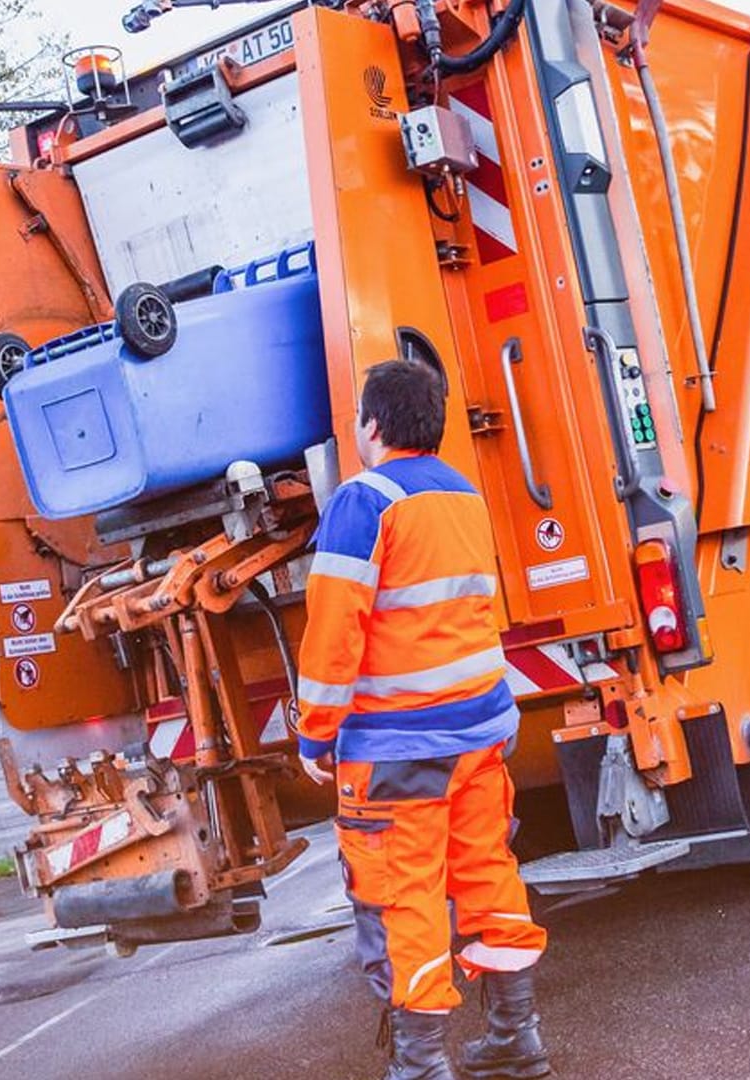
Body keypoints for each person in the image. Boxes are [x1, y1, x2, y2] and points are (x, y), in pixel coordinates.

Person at [295, 358, 552, 1080]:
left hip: (398, 747)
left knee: (401, 898)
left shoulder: (364, 501)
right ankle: (517, 1036)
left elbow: (334, 631)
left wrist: (316, 732)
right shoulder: (464, 496)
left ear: (373, 425)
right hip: (479, 730)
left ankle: (421, 1064)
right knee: (488, 877)